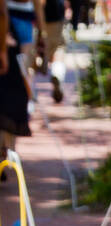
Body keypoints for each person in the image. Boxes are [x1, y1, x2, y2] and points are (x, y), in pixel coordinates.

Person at [0, 0, 32, 177]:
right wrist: (3, 50)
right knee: (10, 100)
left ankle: (6, 152)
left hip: (12, 33)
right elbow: (3, 12)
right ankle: (6, 152)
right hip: (13, 35)